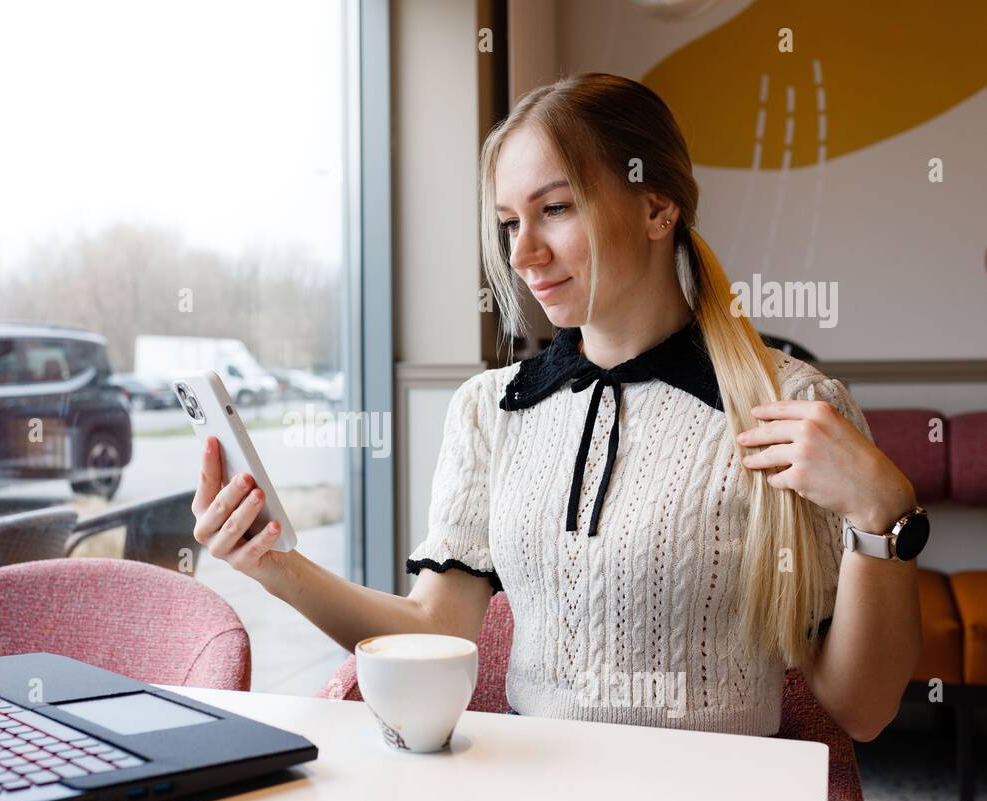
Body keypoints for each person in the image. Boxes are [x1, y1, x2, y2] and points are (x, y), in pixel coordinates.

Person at [190, 73, 922, 740]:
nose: (522, 253)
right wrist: (276, 565)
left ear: (657, 207)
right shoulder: (489, 409)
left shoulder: (788, 408)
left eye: (556, 209)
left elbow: (862, 709)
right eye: (510, 222)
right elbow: (434, 628)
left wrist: (882, 512)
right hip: (534, 797)